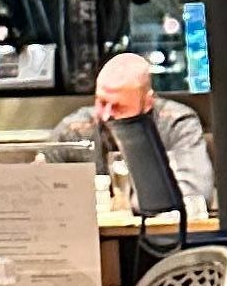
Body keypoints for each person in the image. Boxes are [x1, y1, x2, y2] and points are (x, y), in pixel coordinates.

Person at [48, 44, 215, 222]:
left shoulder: (176, 124)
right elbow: (40, 193)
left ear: (148, 102)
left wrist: (133, 203)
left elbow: (195, 194)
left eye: (118, 106)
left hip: (159, 235)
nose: (106, 115)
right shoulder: (74, 131)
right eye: (101, 102)